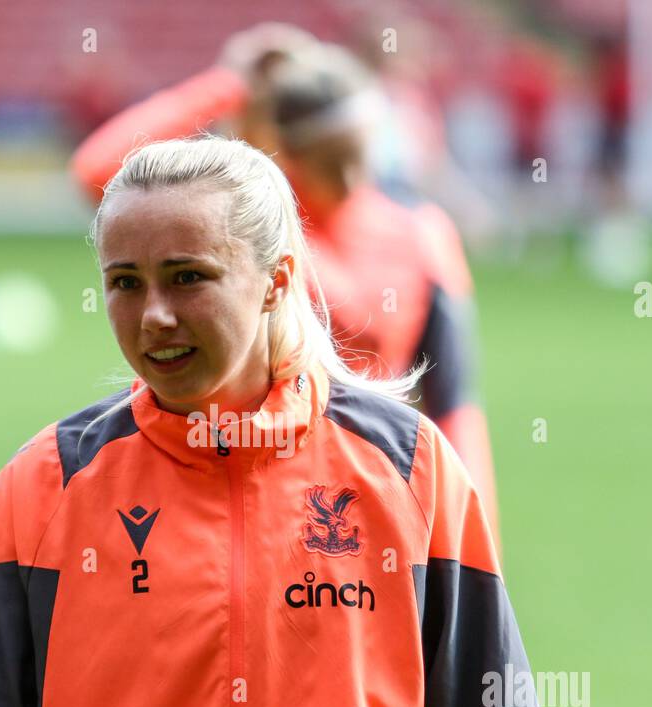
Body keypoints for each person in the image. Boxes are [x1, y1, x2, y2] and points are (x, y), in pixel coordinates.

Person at [0, 135, 579, 707]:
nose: (154, 315)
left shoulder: (408, 471)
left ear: (277, 280)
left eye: (187, 278)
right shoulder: (46, 489)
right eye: (125, 283)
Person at [69, 31, 502, 547]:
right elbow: (98, 173)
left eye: (356, 156)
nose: (346, 177)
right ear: (287, 151)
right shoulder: (257, 233)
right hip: (244, 487)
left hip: (372, 493)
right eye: (327, 159)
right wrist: (229, 84)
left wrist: (473, 538)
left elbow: (454, 400)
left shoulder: (421, 235)